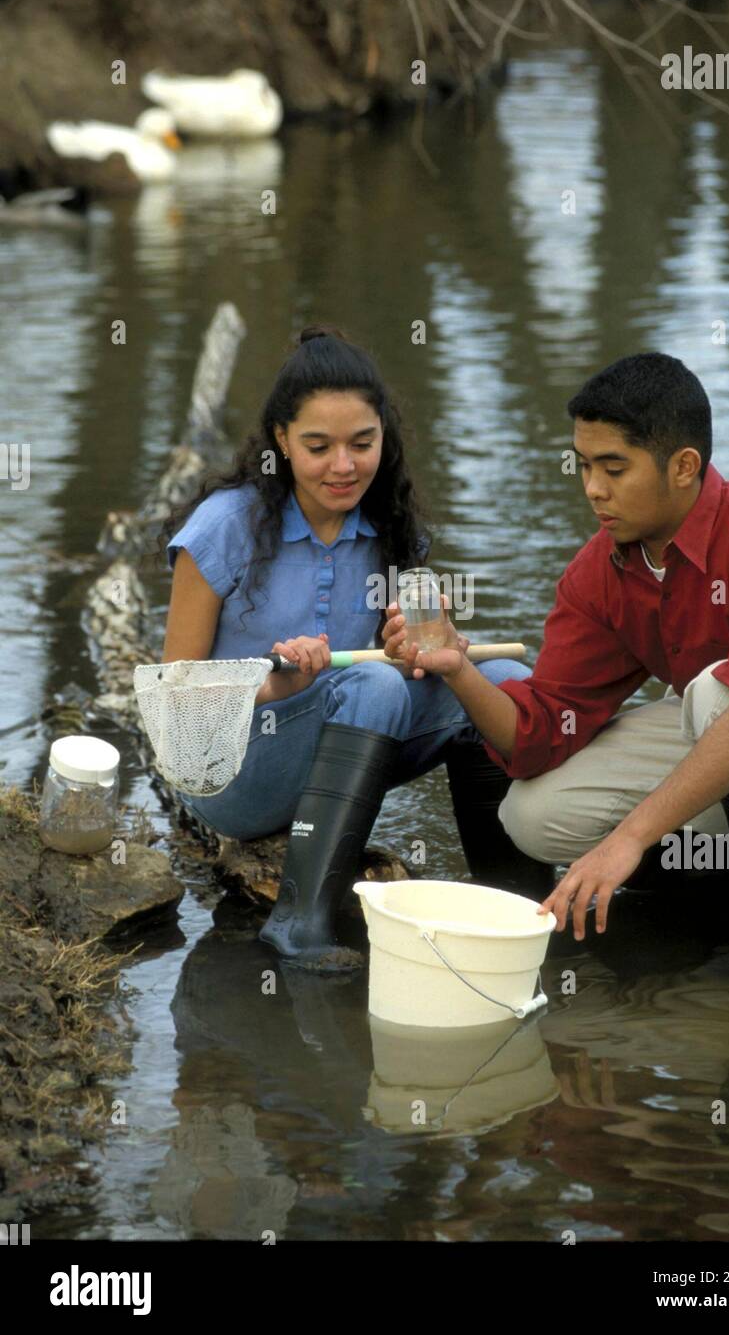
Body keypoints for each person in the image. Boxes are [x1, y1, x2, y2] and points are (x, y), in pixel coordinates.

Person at [383, 352, 729, 942]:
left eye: (615, 468)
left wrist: (628, 839)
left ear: (683, 466)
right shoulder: (600, 569)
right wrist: (457, 666)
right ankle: (708, 886)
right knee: (533, 814)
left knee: (721, 692)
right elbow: (541, 731)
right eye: (584, 466)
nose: (594, 489)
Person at [158, 326, 532, 963]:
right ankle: (300, 923)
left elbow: (399, 668)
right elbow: (177, 707)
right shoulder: (224, 527)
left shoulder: (391, 528)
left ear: (384, 435)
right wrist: (282, 685)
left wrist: (429, 648)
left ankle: (517, 903)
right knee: (375, 685)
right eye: (318, 446)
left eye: (363, 443)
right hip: (228, 771)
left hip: (344, 740)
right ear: (280, 440)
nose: (344, 465)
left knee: (501, 684)